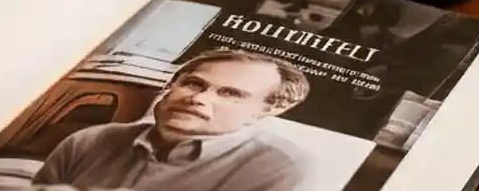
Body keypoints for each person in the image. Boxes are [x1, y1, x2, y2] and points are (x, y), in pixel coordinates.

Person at [32, 48, 313, 190]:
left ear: (265, 111)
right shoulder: (91, 140)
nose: (199, 99)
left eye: (230, 93)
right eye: (193, 84)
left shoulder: (279, 167)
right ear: (170, 88)